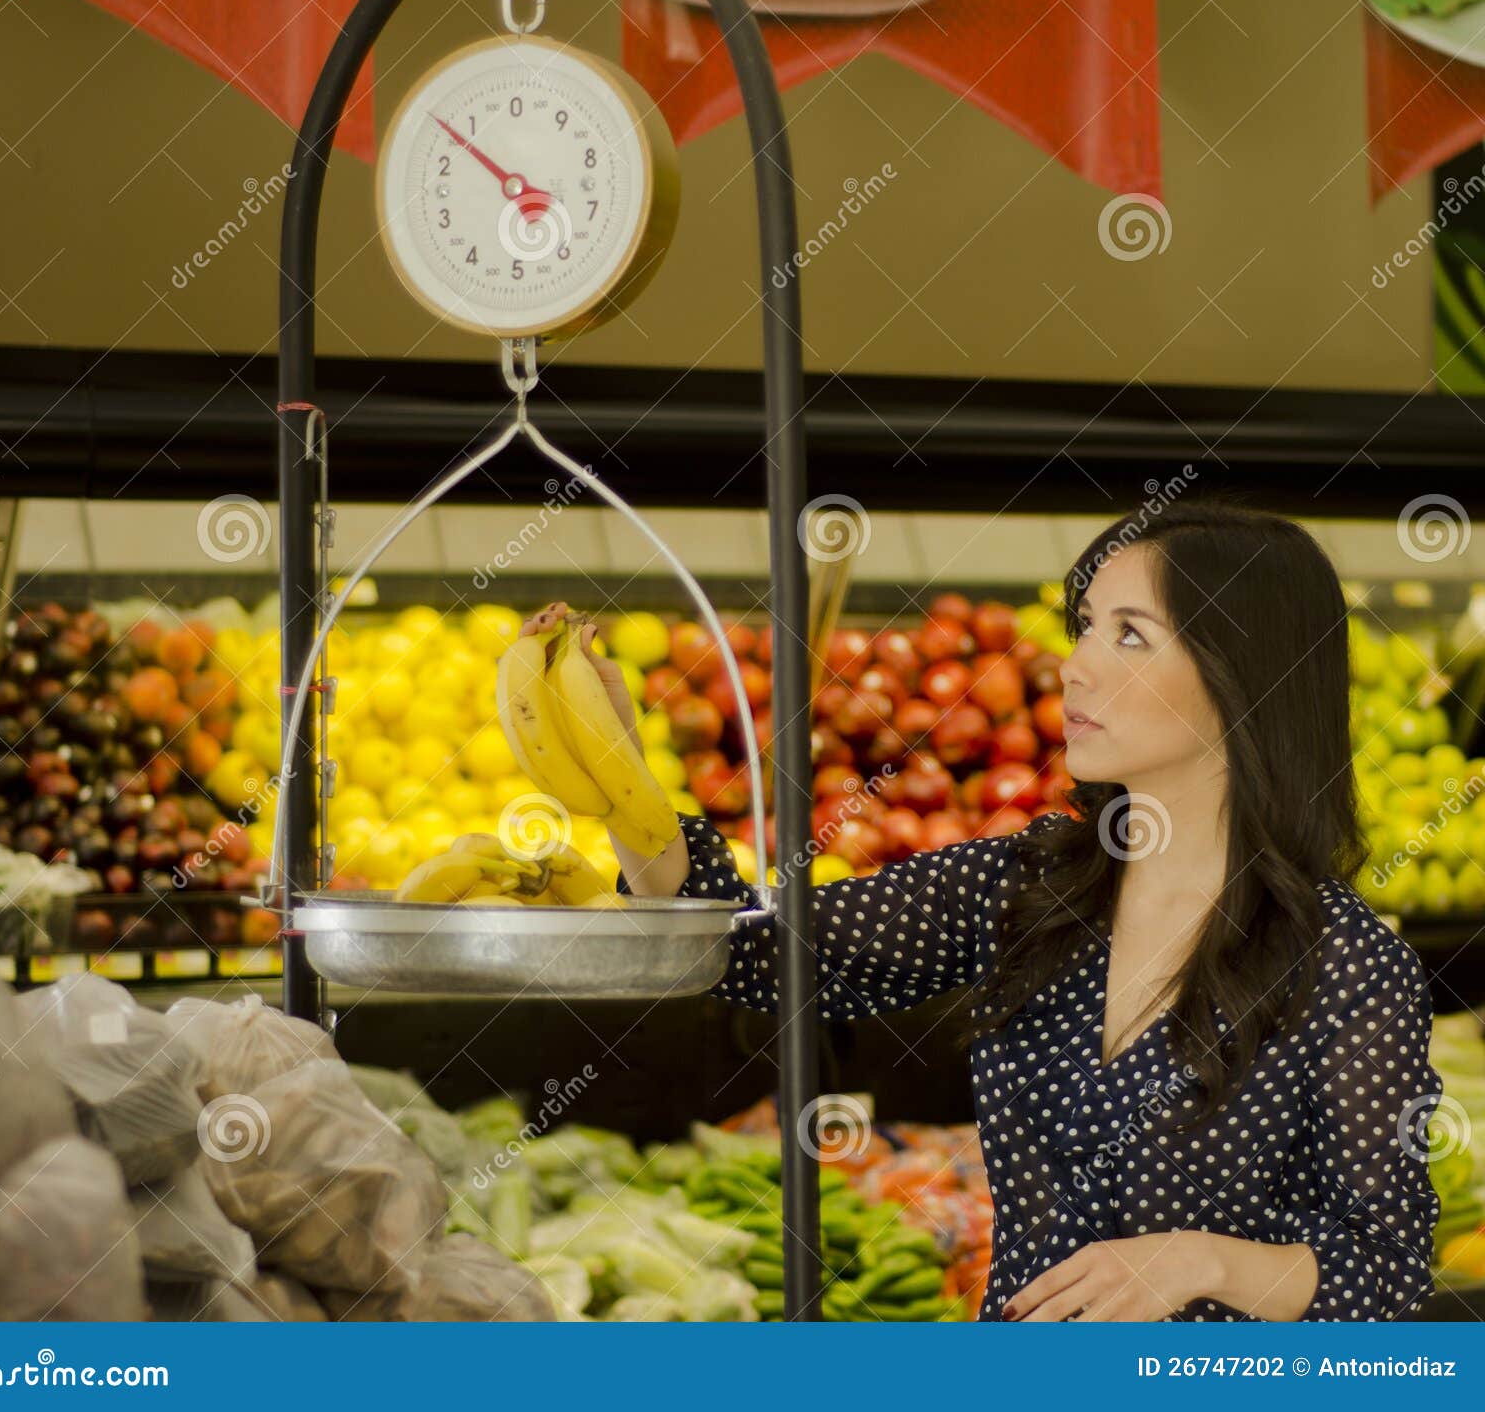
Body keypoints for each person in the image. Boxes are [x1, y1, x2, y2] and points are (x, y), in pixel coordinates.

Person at [520, 498, 1443, 1323]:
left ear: (1242, 672)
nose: (1074, 667)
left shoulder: (1348, 968)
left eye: (1128, 635)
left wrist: (1197, 1262)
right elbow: (756, 954)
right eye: (1084, 627)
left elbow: (1388, 1268)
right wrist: (623, 783)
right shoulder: (1029, 887)